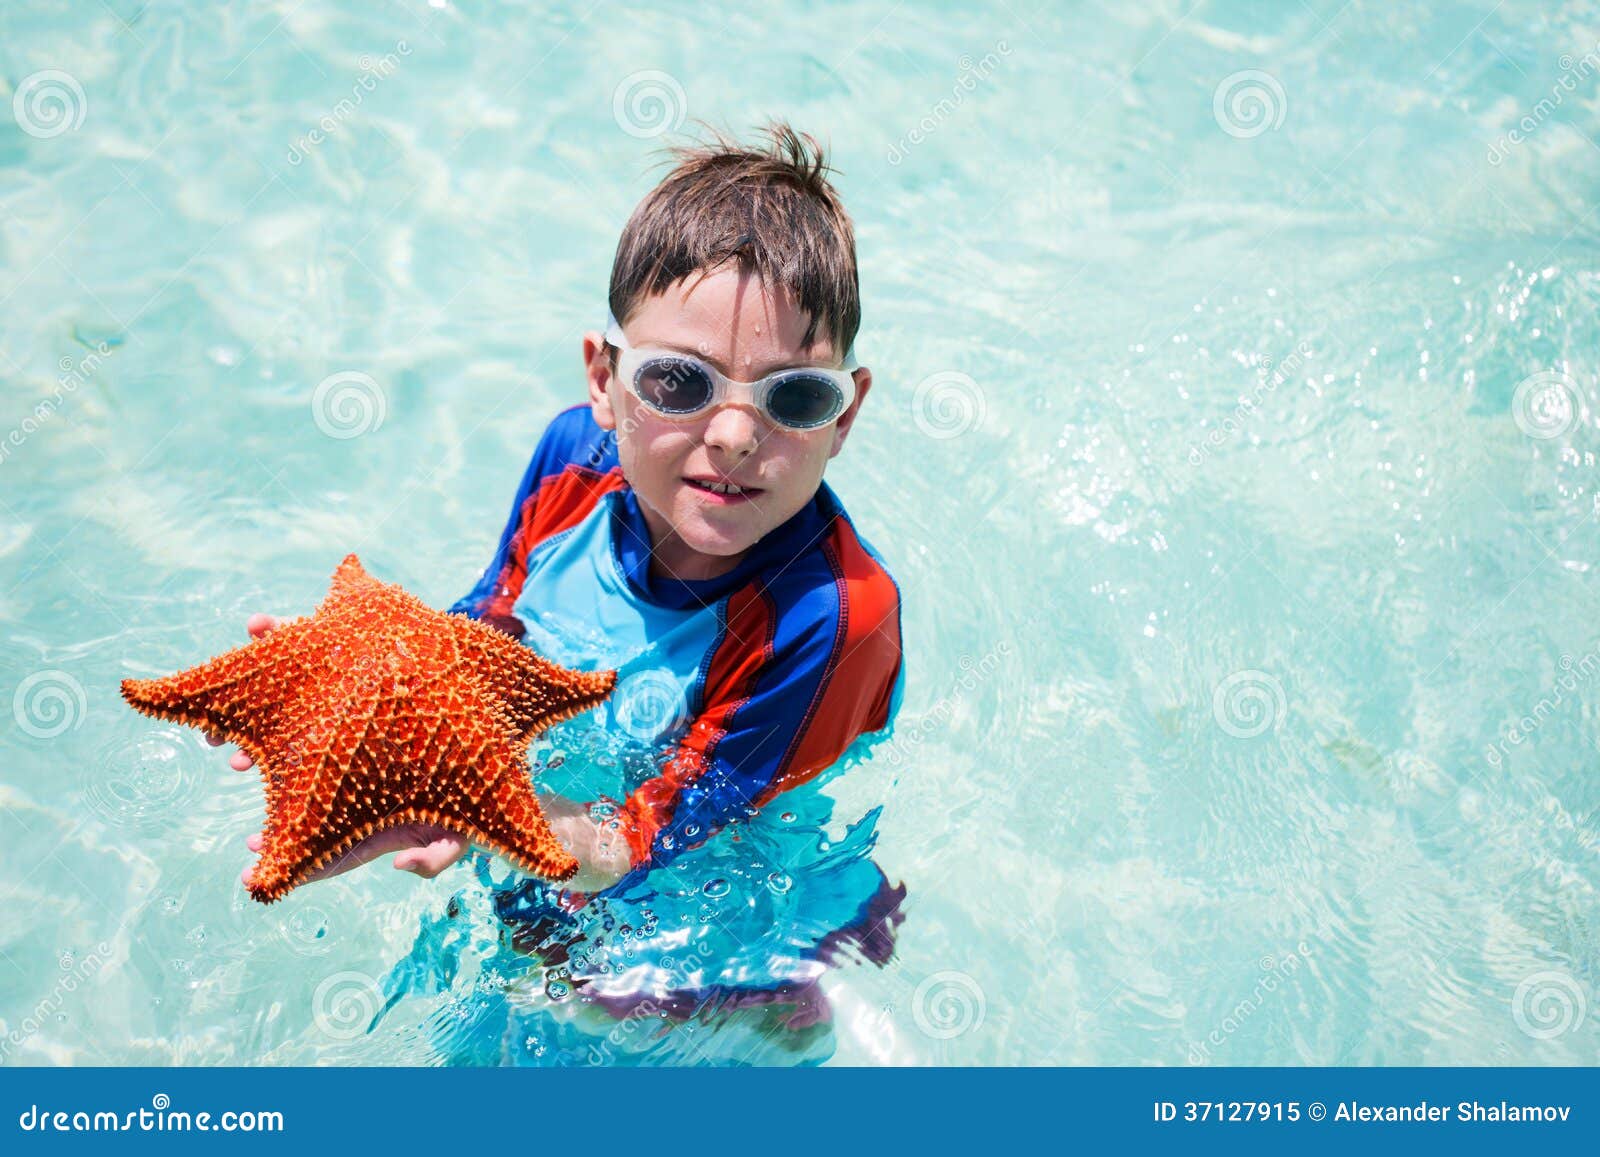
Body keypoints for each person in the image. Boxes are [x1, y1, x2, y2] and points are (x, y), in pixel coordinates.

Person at [211, 125, 907, 1050]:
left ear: (845, 415)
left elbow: (672, 836)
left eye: (793, 399)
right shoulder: (570, 461)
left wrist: (480, 800)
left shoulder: (833, 617)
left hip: (750, 878)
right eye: (678, 381)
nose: (736, 434)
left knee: (616, 1006)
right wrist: (366, 691)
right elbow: (490, 627)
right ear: (604, 381)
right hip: (594, 817)